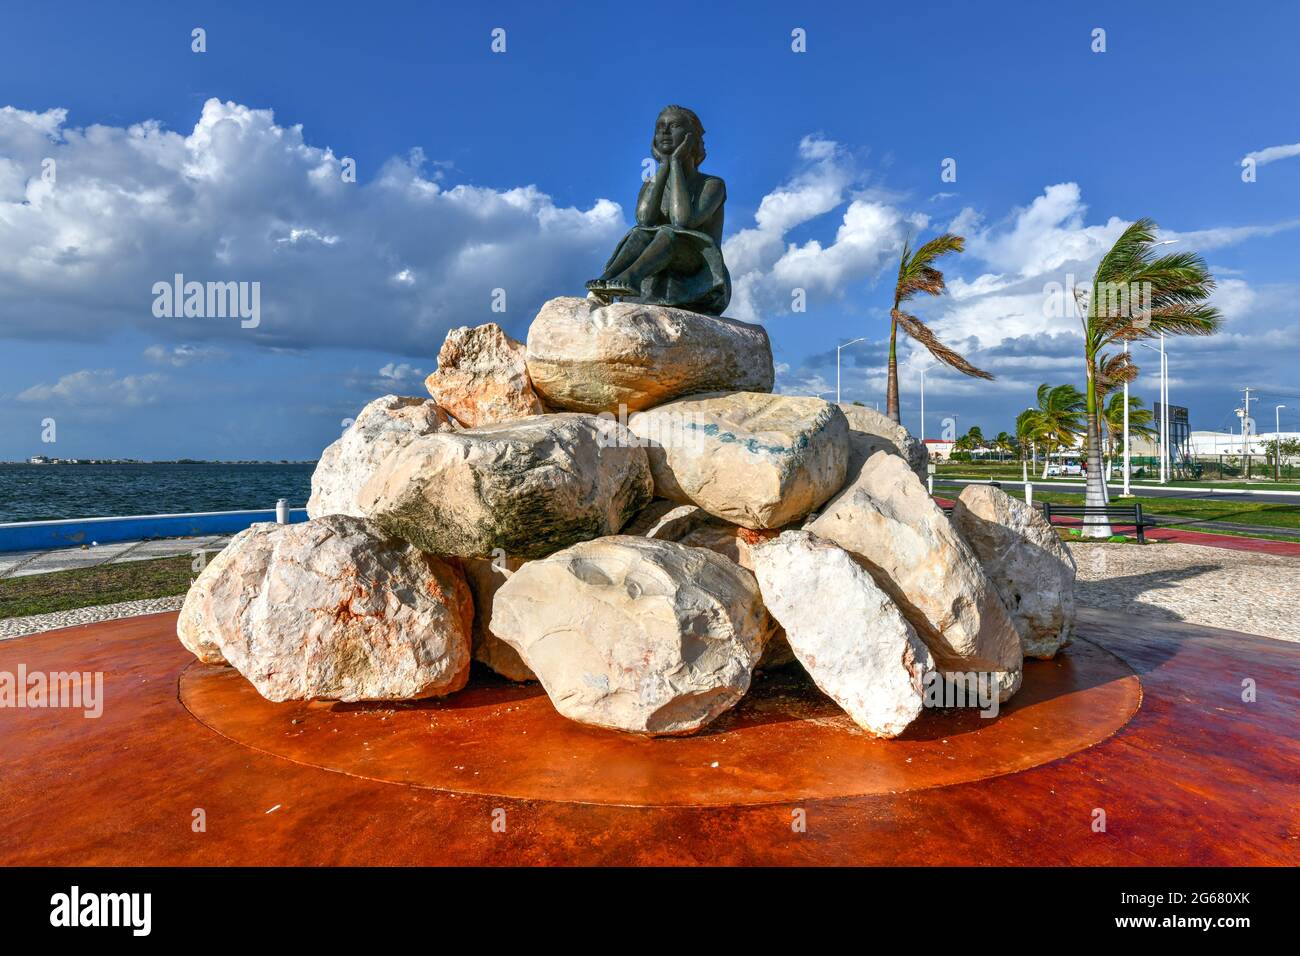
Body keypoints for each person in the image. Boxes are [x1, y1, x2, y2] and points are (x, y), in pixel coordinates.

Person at [586, 105, 731, 315]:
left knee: (668, 232)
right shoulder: (652, 182)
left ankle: (631, 278)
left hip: (699, 268)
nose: (664, 132)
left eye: (673, 126)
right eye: (659, 127)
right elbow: (644, 220)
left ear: (691, 138)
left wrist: (674, 161)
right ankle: (609, 278)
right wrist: (664, 165)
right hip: (662, 266)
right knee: (639, 232)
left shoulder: (712, 185)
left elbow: (683, 221)